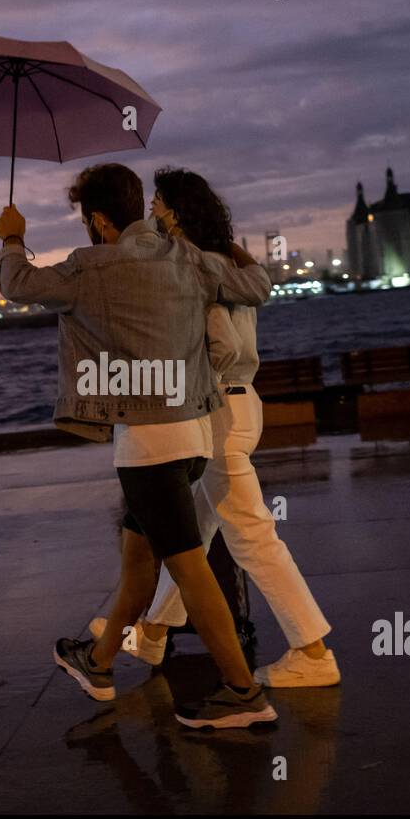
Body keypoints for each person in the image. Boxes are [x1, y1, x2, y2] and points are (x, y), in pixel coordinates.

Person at [0, 162, 277, 729]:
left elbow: (16, 284)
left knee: (191, 570)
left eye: (87, 219)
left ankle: (245, 694)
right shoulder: (188, 259)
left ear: (98, 219)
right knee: (138, 560)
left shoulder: (88, 268)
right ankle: (97, 662)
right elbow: (258, 286)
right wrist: (220, 243)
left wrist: (11, 237)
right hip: (196, 432)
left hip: (149, 447)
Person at [89, 168, 339, 687]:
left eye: (158, 203)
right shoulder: (226, 262)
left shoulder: (192, 267)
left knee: (251, 536)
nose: (150, 211)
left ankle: (312, 652)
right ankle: (154, 632)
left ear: (176, 213)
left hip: (219, 410)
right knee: (194, 535)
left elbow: (220, 346)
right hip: (243, 405)